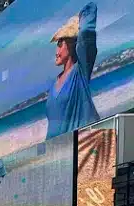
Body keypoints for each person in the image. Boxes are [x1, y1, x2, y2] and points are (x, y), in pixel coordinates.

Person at [45, 3, 100, 140]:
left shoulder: (80, 71)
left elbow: (87, 30)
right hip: (58, 154)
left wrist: (76, 21)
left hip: (84, 146)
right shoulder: (54, 84)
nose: (56, 52)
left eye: (59, 45)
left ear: (71, 44)